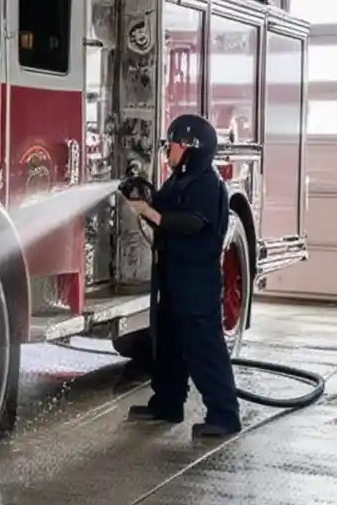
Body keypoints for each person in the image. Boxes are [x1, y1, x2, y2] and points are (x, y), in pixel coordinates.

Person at [124, 113, 242, 439]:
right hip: (174, 278)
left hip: (197, 282)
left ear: (191, 146)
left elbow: (190, 222)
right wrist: (141, 194)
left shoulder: (208, 184)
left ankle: (224, 416)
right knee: (170, 344)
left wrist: (148, 212)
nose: (168, 149)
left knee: (204, 348)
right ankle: (167, 403)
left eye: (172, 143)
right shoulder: (181, 179)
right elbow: (163, 206)